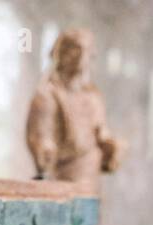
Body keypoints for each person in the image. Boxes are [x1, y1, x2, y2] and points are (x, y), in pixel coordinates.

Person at [25, 28, 124, 190]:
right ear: (61, 54)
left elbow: (101, 133)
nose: (81, 56)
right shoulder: (47, 95)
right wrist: (44, 149)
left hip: (91, 182)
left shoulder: (93, 97)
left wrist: (111, 146)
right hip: (61, 180)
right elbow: (40, 137)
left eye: (86, 50)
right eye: (75, 49)